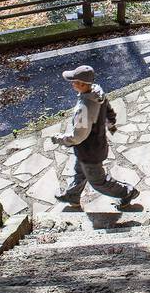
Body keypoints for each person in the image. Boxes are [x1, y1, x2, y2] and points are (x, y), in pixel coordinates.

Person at [53, 64, 138, 209]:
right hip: (94, 145)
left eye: (74, 81)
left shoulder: (84, 108)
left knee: (98, 182)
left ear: (82, 84)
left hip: (90, 151)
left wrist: (59, 139)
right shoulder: (98, 93)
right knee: (80, 171)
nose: (72, 84)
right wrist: (111, 125)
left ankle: (127, 192)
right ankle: (72, 195)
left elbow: (77, 137)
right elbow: (108, 111)